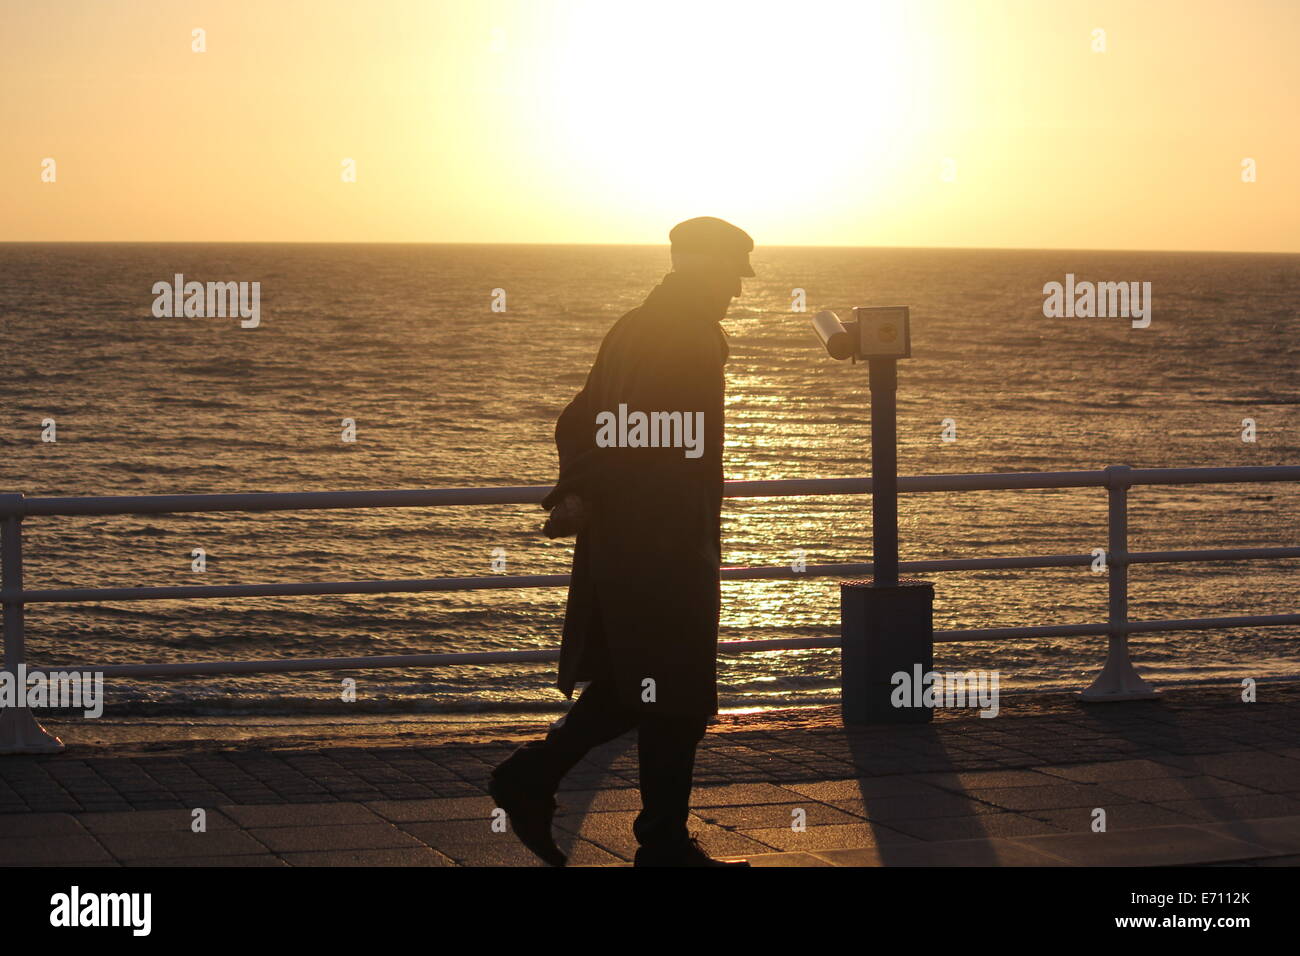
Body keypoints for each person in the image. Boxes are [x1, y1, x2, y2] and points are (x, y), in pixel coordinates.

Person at [488, 217, 755, 867]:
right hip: (662, 546)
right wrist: (590, 488)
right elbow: (639, 432)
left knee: (638, 686)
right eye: (732, 275)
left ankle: (545, 782)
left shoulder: (634, 325)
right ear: (702, 268)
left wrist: (580, 490)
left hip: (626, 544)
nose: (739, 293)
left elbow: (581, 419)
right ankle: (645, 833)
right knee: (674, 695)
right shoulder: (685, 336)